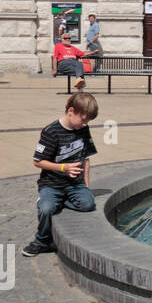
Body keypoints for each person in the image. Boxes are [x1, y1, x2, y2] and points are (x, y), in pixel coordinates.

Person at [23, 92, 99, 257]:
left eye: (88, 121)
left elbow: (86, 159)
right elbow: (37, 161)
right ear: (71, 111)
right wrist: (63, 168)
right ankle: (41, 241)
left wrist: (86, 186)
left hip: (75, 184)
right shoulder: (51, 132)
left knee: (88, 204)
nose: (85, 124)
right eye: (84, 119)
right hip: (52, 183)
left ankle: (62, 201)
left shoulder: (83, 130)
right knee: (46, 208)